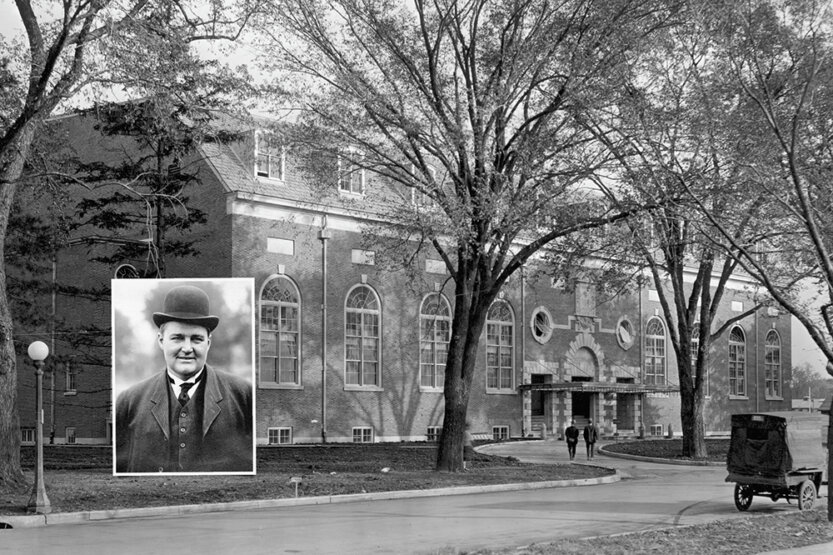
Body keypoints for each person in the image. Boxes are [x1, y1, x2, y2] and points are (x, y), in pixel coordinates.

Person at [115, 284, 253, 473]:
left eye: (196, 339)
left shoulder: (243, 395)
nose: (187, 348)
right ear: (161, 341)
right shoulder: (129, 402)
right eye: (178, 338)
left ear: (208, 343)